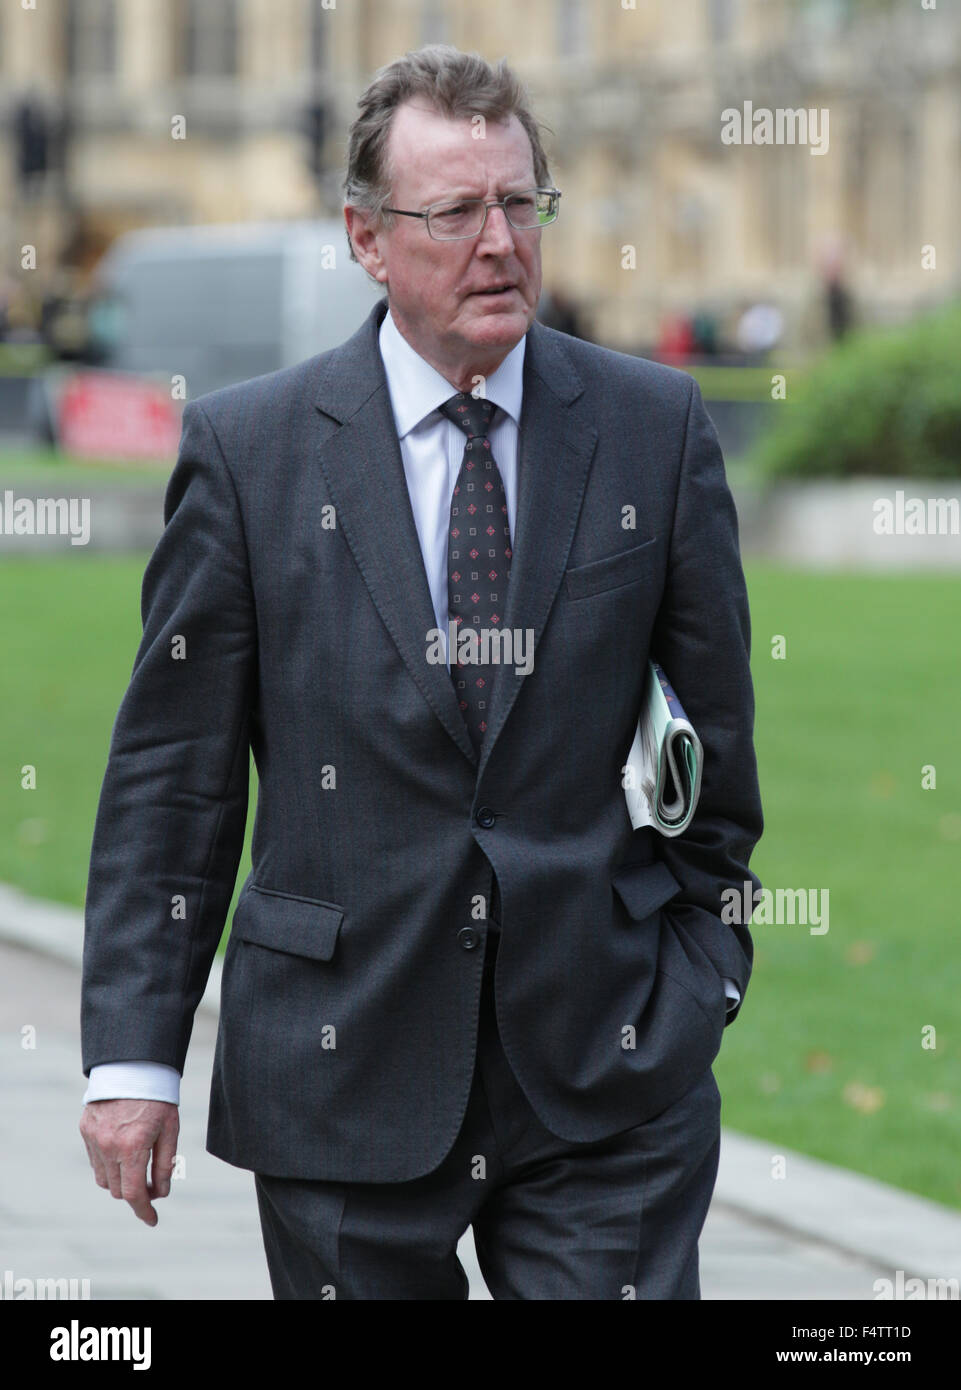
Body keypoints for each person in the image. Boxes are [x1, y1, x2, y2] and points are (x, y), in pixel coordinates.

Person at [79, 45, 763, 1301]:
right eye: (455, 212)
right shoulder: (250, 454)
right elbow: (173, 779)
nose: (499, 242)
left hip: (605, 1077)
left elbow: (714, 760)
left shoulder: (653, 431)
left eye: (520, 202)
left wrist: (700, 976)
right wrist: (135, 1061)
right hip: (341, 1067)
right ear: (368, 237)